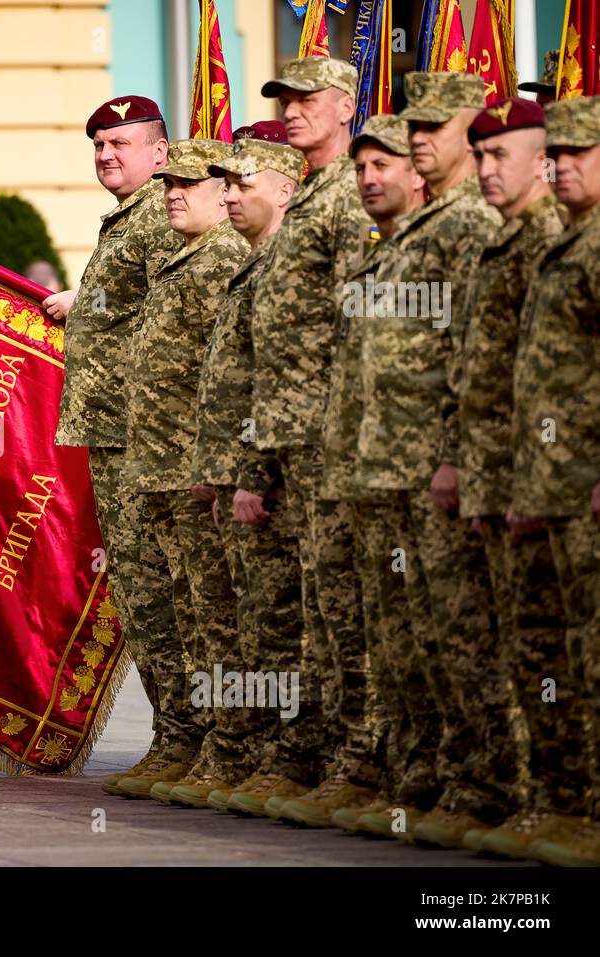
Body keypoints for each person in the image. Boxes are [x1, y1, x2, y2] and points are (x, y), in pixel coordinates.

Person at [351, 72, 508, 847]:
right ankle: (427, 782)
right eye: (412, 123)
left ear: (475, 129)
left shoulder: (471, 224)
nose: (418, 136)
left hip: (434, 468)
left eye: (435, 125)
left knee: (460, 634)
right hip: (388, 466)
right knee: (406, 640)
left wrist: (451, 455)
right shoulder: (414, 231)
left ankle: (483, 787)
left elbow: (472, 355)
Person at [227, 57, 373, 822]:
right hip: (287, 443)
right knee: (310, 615)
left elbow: (356, 328)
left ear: (346, 105)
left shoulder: (352, 195)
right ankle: (311, 758)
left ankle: (360, 764)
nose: (291, 110)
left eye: (306, 98)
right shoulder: (309, 198)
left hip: (333, 440)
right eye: (282, 100)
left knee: (345, 613)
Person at [42, 97, 200, 799]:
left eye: (121, 144)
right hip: (115, 435)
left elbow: (178, 316)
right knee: (140, 594)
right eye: (99, 145)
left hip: (150, 439)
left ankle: (190, 741)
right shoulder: (128, 221)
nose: (107, 155)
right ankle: (175, 738)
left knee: (163, 594)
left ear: (159, 153)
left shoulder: (163, 220)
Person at [454, 98, 580, 858]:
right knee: (526, 648)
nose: (486, 169)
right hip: (513, 480)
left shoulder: (557, 241)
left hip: (560, 482)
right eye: (482, 156)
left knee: (562, 651)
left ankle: (572, 801)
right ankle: (544, 799)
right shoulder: (508, 241)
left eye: (502, 156)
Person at [112, 137, 252, 807]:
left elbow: (223, 378)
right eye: (168, 182)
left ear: (224, 191)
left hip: (193, 471)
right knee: (182, 613)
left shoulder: (221, 260)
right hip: (158, 468)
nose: (173, 192)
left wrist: (217, 467)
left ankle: (228, 746)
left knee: (212, 617)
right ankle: (189, 740)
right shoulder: (181, 258)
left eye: (189, 183)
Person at [189, 122, 313, 816]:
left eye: (242, 183)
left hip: (277, 480)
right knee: (255, 626)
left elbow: (280, 379)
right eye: (226, 184)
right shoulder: (250, 263)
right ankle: (268, 756)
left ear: (285, 191)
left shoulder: (285, 263)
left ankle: (293, 759)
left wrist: (253, 474)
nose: (228, 195)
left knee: (283, 628)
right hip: (242, 475)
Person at [320, 115, 431, 837]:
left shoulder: (449, 241)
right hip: (366, 472)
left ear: (419, 170)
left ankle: (470, 787)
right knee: (385, 634)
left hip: (427, 476)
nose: (368, 178)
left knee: (440, 634)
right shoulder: (376, 253)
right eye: (362, 167)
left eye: (384, 165)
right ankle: (402, 778)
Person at [508, 94, 600, 867]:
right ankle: (569, 805)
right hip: (551, 484)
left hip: (585, 483)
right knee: (561, 650)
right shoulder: (561, 243)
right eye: (556, 154)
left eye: (578, 153)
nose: (560, 165)